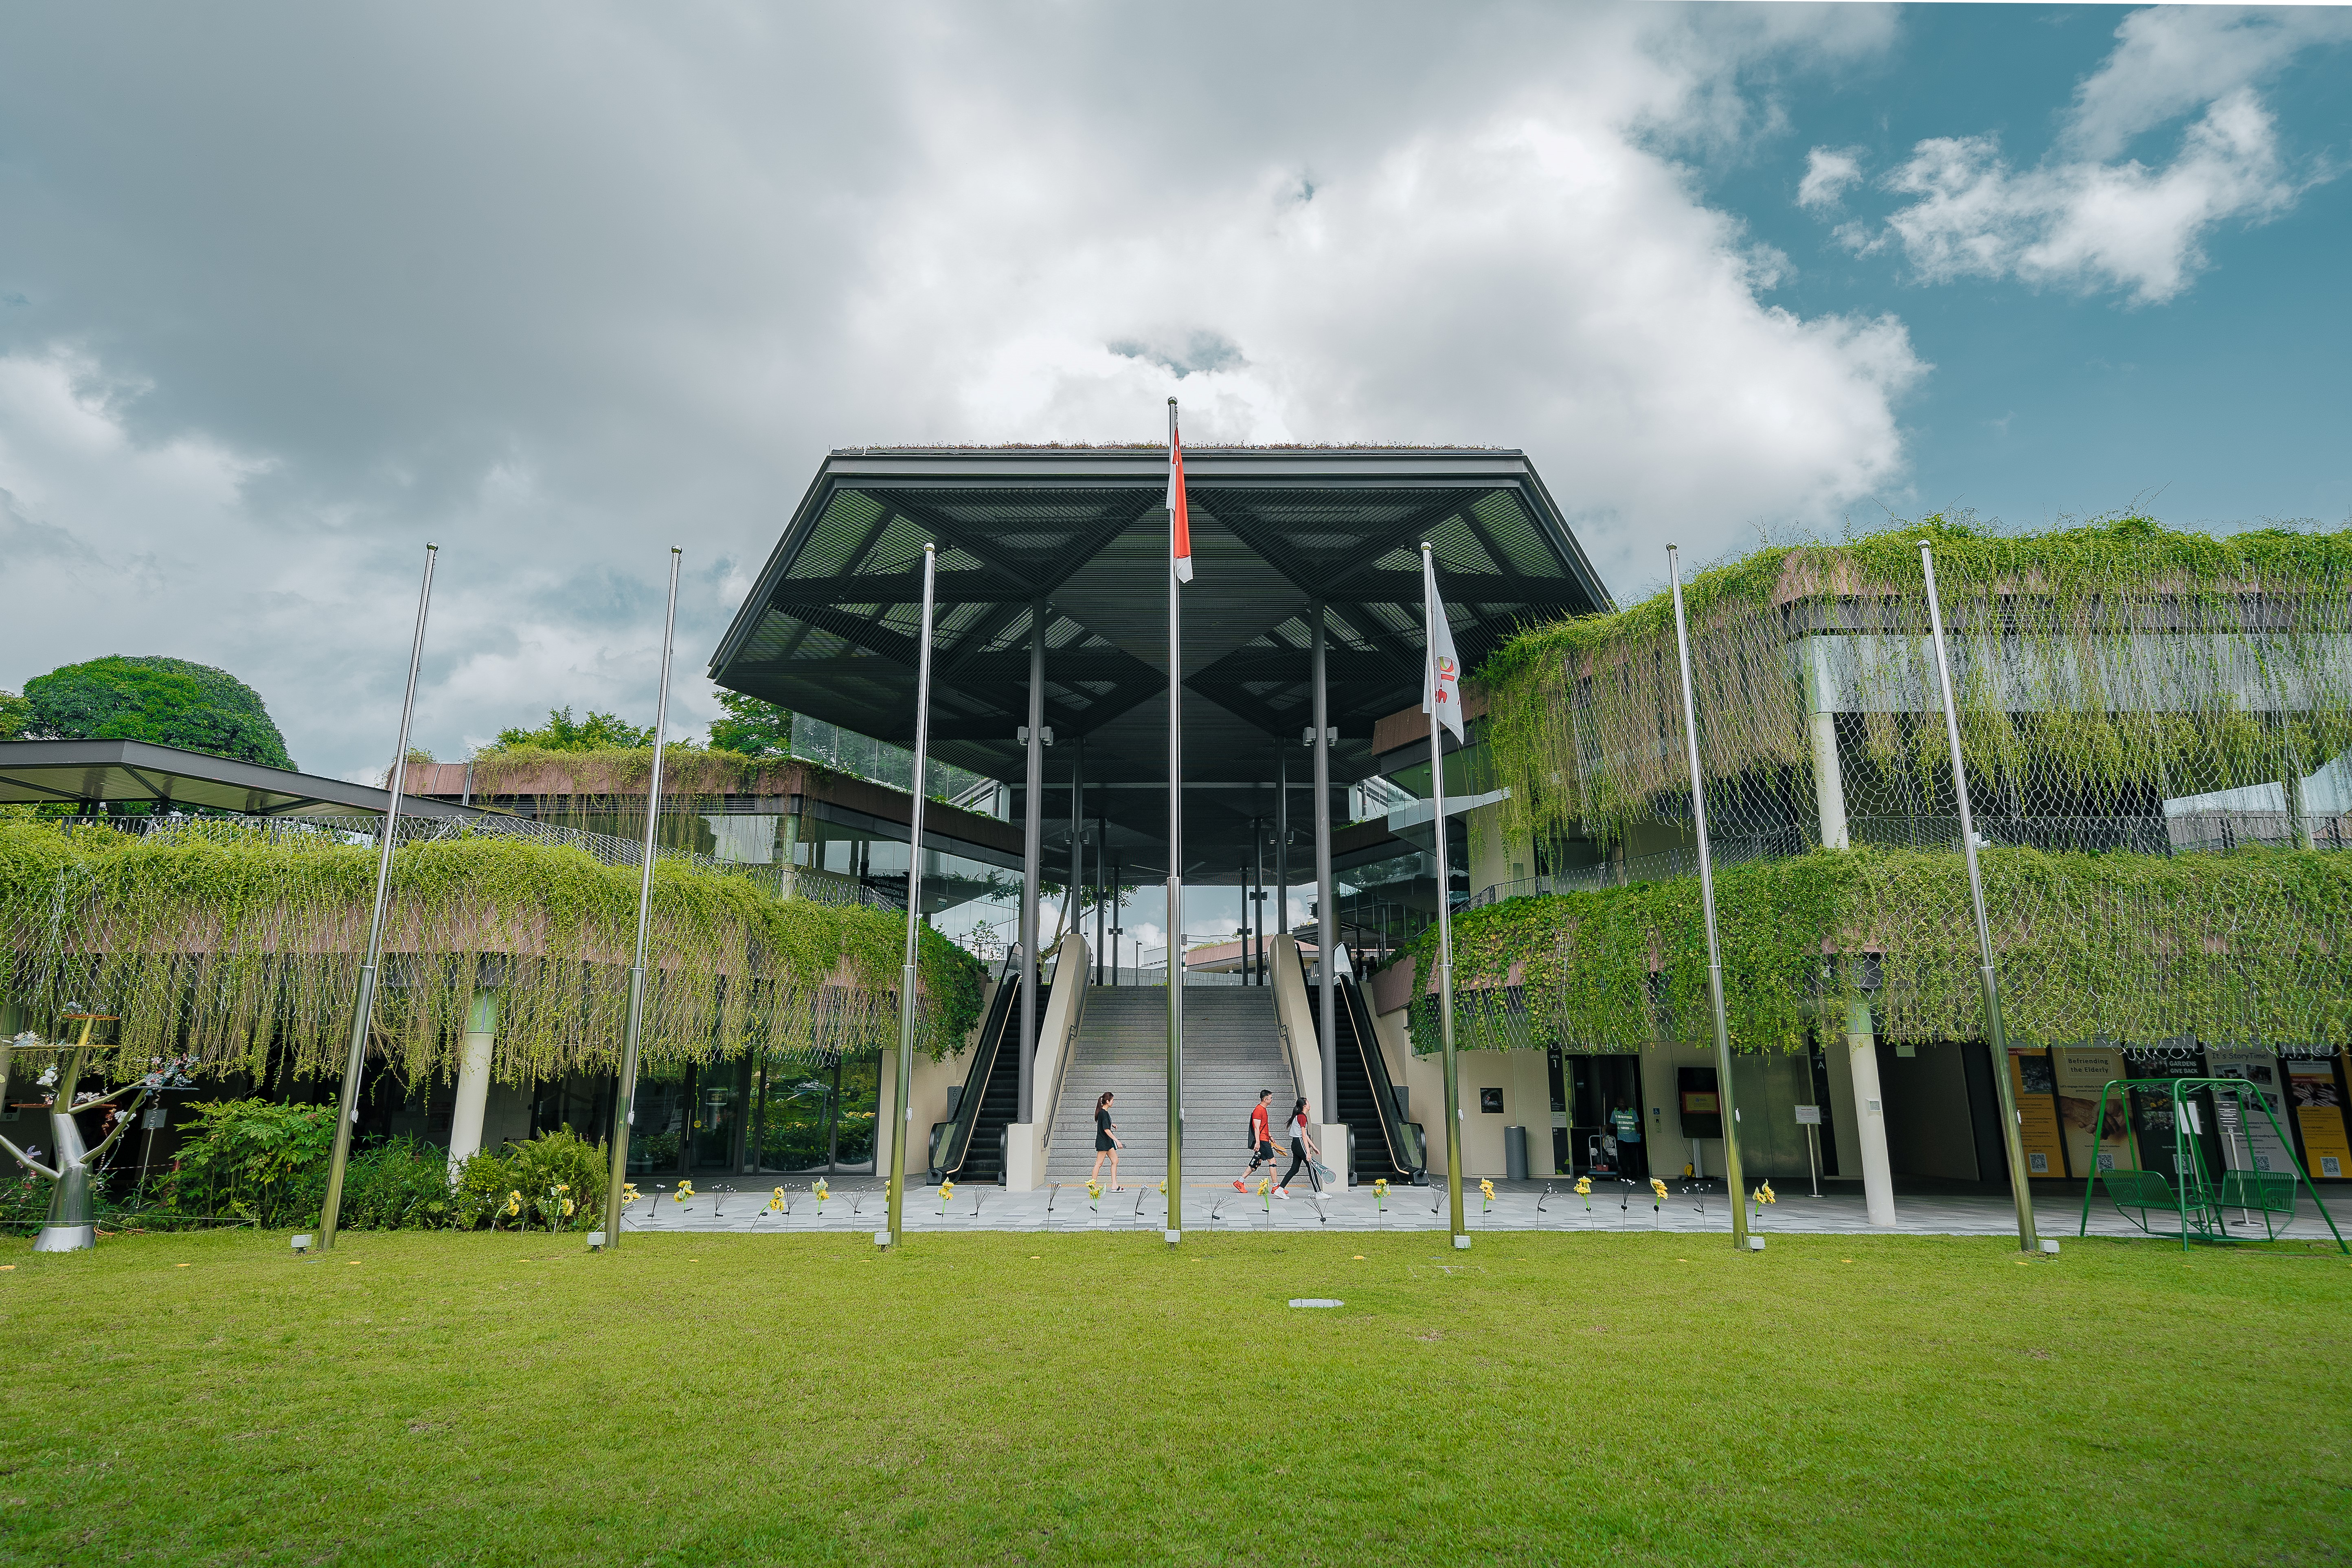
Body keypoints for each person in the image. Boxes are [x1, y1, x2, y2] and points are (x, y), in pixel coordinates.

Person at [1275, 1096, 1321, 1199]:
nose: (1309, 1104)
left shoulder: (1300, 1116)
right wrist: (1308, 1153)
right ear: (1305, 1105)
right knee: (1312, 1168)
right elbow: (1304, 1136)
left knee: (1295, 1169)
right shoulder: (1302, 1117)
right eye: (1308, 1102)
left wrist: (1313, 1147)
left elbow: (1304, 1135)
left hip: (1296, 1144)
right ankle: (1318, 1193)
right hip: (1299, 1143)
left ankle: (1280, 1190)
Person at [1233, 1089, 1277, 1191]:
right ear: (1265, 1099)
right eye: (1271, 1098)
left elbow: (1264, 1126)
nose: (1272, 1100)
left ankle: (1240, 1181)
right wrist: (1258, 1142)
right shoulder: (1259, 1110)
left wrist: (1270, 1136)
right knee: (1272, 1161)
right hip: (1262, 1140)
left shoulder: (1263, 1109)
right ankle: (1276, 1187)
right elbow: (1257, 1127)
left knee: (1257, 1160)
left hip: (1264, 1138)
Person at [1089, 1090, 1123, 1190]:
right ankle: (1092, 1186)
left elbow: (1105, 1125)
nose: (1113, 1102)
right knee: (1099, 1163)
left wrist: (1111, 1124)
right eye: (1112, 1100)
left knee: (1115, 1160)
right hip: (1103, 1142)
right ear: (1107, 1101)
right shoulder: (1103, 1113)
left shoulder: (1104, 1113)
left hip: (1107, 1142)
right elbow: (1106, 1130)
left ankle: (1114, 1185)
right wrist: (1117, 1141)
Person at [1610, 1100, 1645, 1181]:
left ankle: (1634, 1175)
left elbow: (1637, 1123)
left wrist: (1639, 1134)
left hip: (1632, 1139)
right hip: (1621, 1138)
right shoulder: (1615, 1112)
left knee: (1633, 1157)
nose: (1622, 1104)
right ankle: (1625, 1174)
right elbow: (1611, 1124)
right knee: (1622, 1157)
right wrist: (1606, 1131)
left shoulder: (1632, 1112)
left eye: (1623, 1102)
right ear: (1618, 1104)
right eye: (1620, 1102)